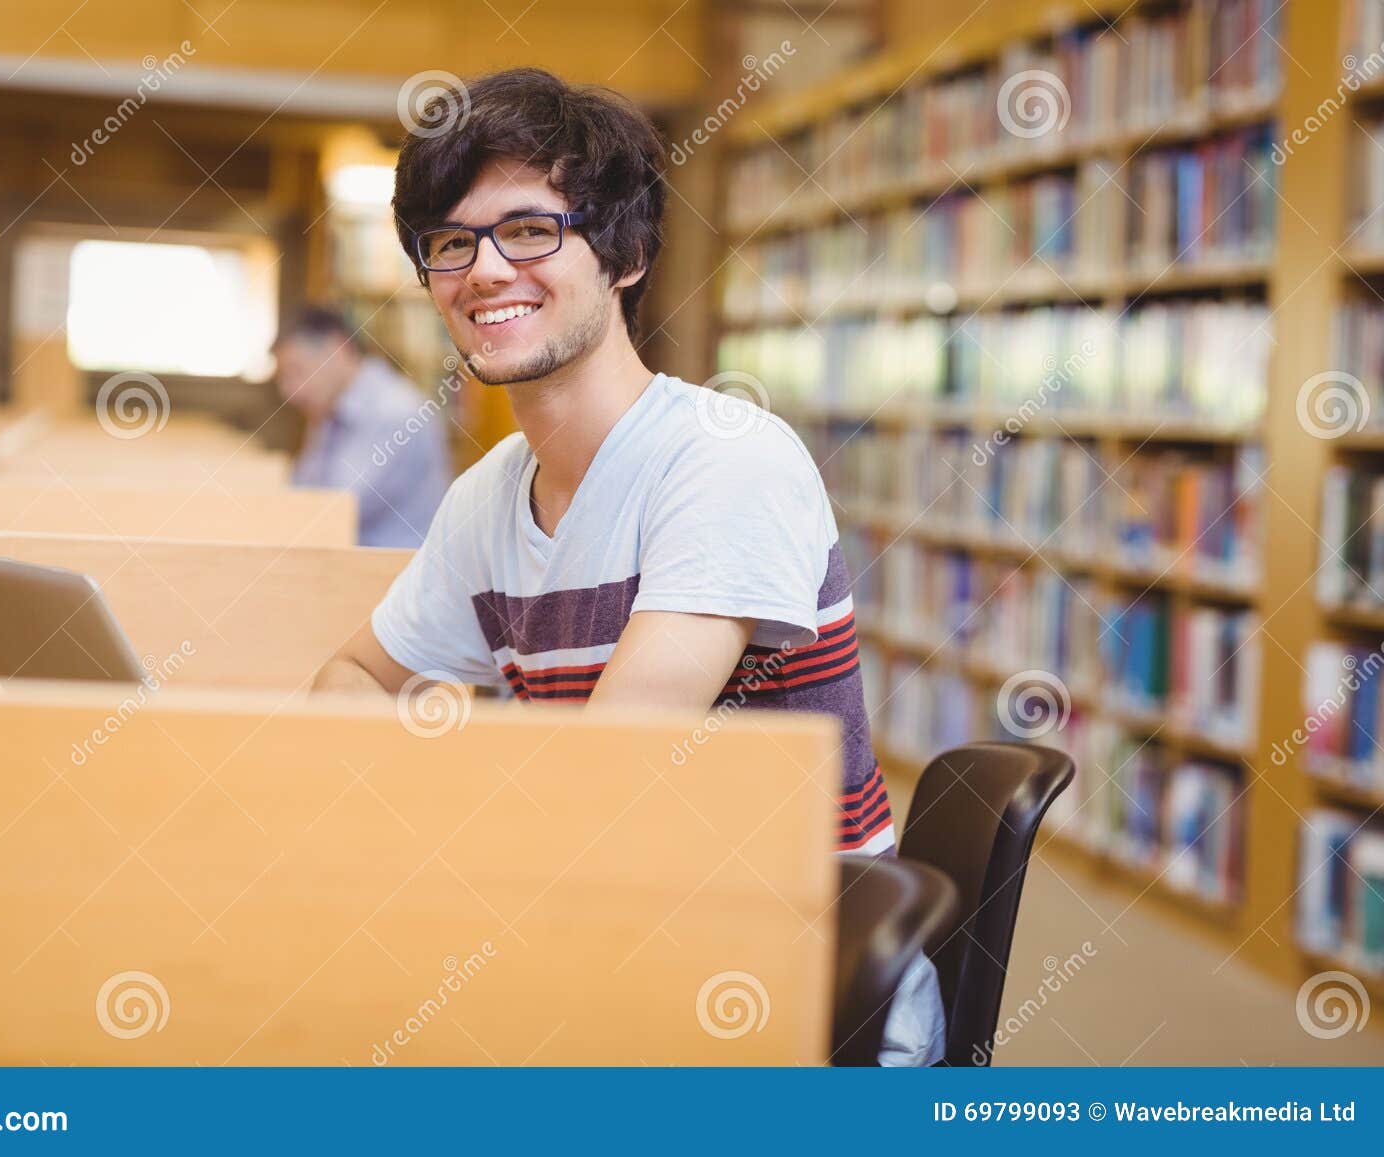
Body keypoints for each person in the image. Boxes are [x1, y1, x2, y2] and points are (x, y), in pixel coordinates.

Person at [312, 67, 944, 1065]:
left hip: (787, 994)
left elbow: (611, 773)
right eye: (450, 243)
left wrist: (425, 795)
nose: (483, 270)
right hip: (607, 940)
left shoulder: (724, 459)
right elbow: (349, 677)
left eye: (529, 230)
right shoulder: (486, 497)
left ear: (627, 256)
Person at [276, 306, 450, 548]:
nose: (289, 391)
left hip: (392, 564)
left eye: (296, 372)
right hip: (350, 556)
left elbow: (333, 510)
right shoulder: (332, 407)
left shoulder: (395, 412)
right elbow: (302, 490)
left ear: (337, 350)